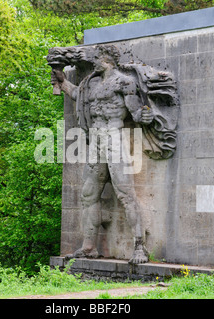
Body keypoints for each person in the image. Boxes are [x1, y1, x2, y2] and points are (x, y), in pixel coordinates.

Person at [51, 45, 154, 264]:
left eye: (96, 59)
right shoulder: (92, 83)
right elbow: (78, 95)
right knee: (88, 195)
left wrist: (145, 116)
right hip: (96, 141)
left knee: (125, 194)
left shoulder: (124, 82)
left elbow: (135, 113)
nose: (94, 62)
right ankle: (89, 247)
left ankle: (139, 247)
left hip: (115, 139)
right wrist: (62, 80)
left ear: (107, 59)